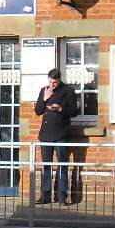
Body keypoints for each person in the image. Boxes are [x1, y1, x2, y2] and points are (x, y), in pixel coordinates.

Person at [34, 68, 78, 204]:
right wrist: (44, 99)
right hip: (46, 133)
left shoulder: (68, 91)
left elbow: (74, 111)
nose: (52, 85)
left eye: (54, 82)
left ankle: (61, 196)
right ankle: (45, 196)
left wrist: (60, 109)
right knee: (46, 166)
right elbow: (38, 111)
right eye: (50, 82)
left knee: (62, 165)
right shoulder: (44, 90)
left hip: (61, 133)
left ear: (59, 80)